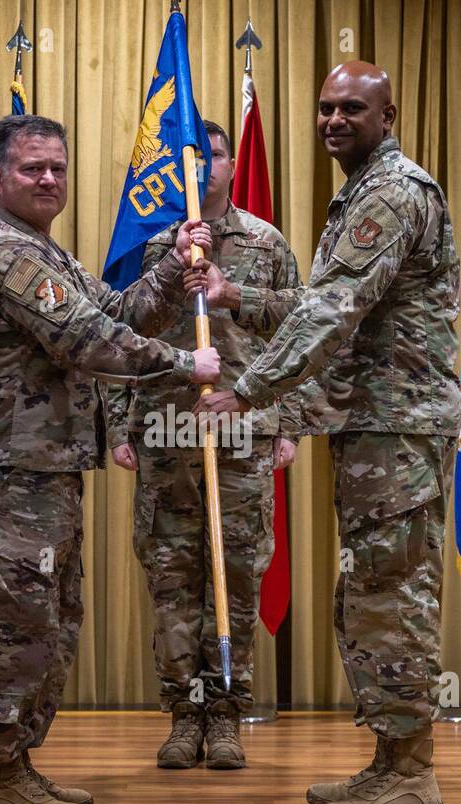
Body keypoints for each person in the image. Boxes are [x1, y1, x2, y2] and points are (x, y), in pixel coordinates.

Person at [190, 62, 461, 804]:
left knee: (393, 597)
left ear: (389, 114)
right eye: (324, 108)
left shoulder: (392, 191)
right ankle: (390, 761)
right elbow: (324, 301)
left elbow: (333, 311)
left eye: (352, 108)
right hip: (373, 426)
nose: (334, 120)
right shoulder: (360, 193)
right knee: (371, 592)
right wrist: (242, 296)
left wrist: (248, 390)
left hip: (397, 429)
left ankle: (413, 773)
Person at [0, 114, 219, 804]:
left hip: (46, 470)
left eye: (58, 168)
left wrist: (169, 265)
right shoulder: (7, 256)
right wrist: (186, 364)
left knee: (50, 622)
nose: (48, 180)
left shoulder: (48, 253)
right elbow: (91, 340)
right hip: (9, 472)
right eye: (32, 167)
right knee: (13, 629)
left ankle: (21, 767)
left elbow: (122, 308)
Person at [104, 120, 303, 770]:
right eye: (190, 157)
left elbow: (301, 329)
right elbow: (116, 332)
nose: (203, 167)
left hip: (243, 435)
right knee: (173, 583)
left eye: (214, 155)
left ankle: (226, 716)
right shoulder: (154, 243)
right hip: (166, 435)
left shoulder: (265, 242)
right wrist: (120, 424)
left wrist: (290, 422)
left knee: (236, 580)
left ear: (228, 163)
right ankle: (183, 717)